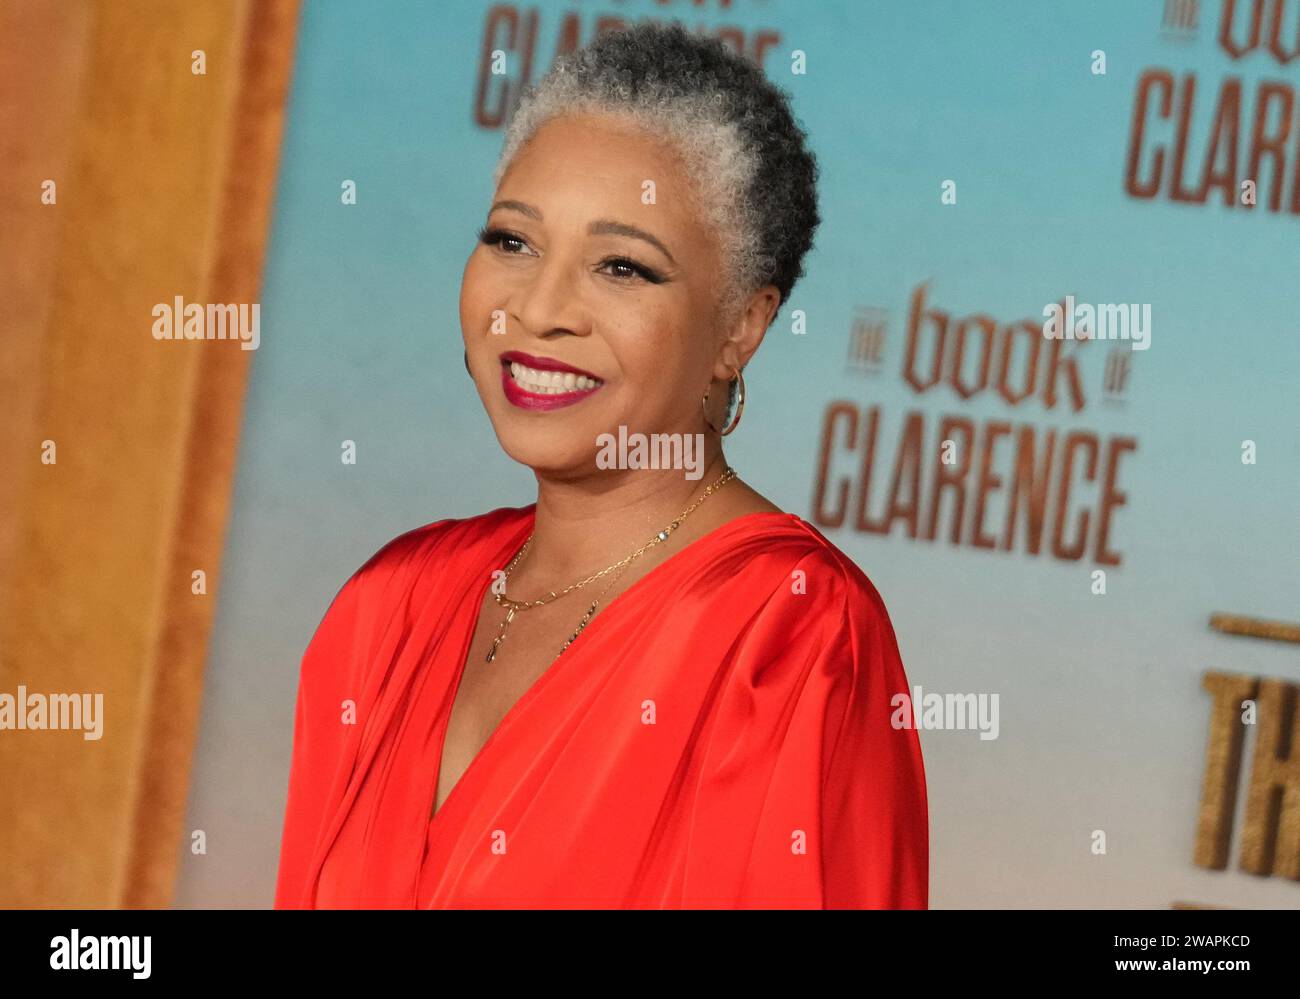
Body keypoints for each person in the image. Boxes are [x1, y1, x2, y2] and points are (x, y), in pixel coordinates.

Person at [275, 20, 927, 909]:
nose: (540, 309)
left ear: (740, 327)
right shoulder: (388, 608)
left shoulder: (790, 634)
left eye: (622, 267)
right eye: (513, 240)